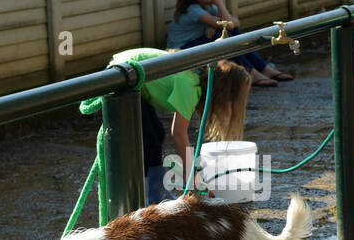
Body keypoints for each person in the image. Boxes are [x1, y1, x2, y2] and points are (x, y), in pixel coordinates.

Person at [107, 48, 251, 204]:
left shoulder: (196, 79)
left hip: (131, 74)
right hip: (122, 76)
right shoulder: (191, 85)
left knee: (156, 134)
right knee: (149, 141)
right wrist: (193, 180)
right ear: (224, 90)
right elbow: (178, 134)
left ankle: (156, 194)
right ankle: (153, 198)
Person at [166, 0, 291, 86]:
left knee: (230, 31)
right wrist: (219, 3)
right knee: (222, 34)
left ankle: (263, 68)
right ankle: (251, 73)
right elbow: (229, 24)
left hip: (194, 46)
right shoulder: (192, 10)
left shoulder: (209, 7)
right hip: (180, 52)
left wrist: (217, 24)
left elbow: (234, 22)